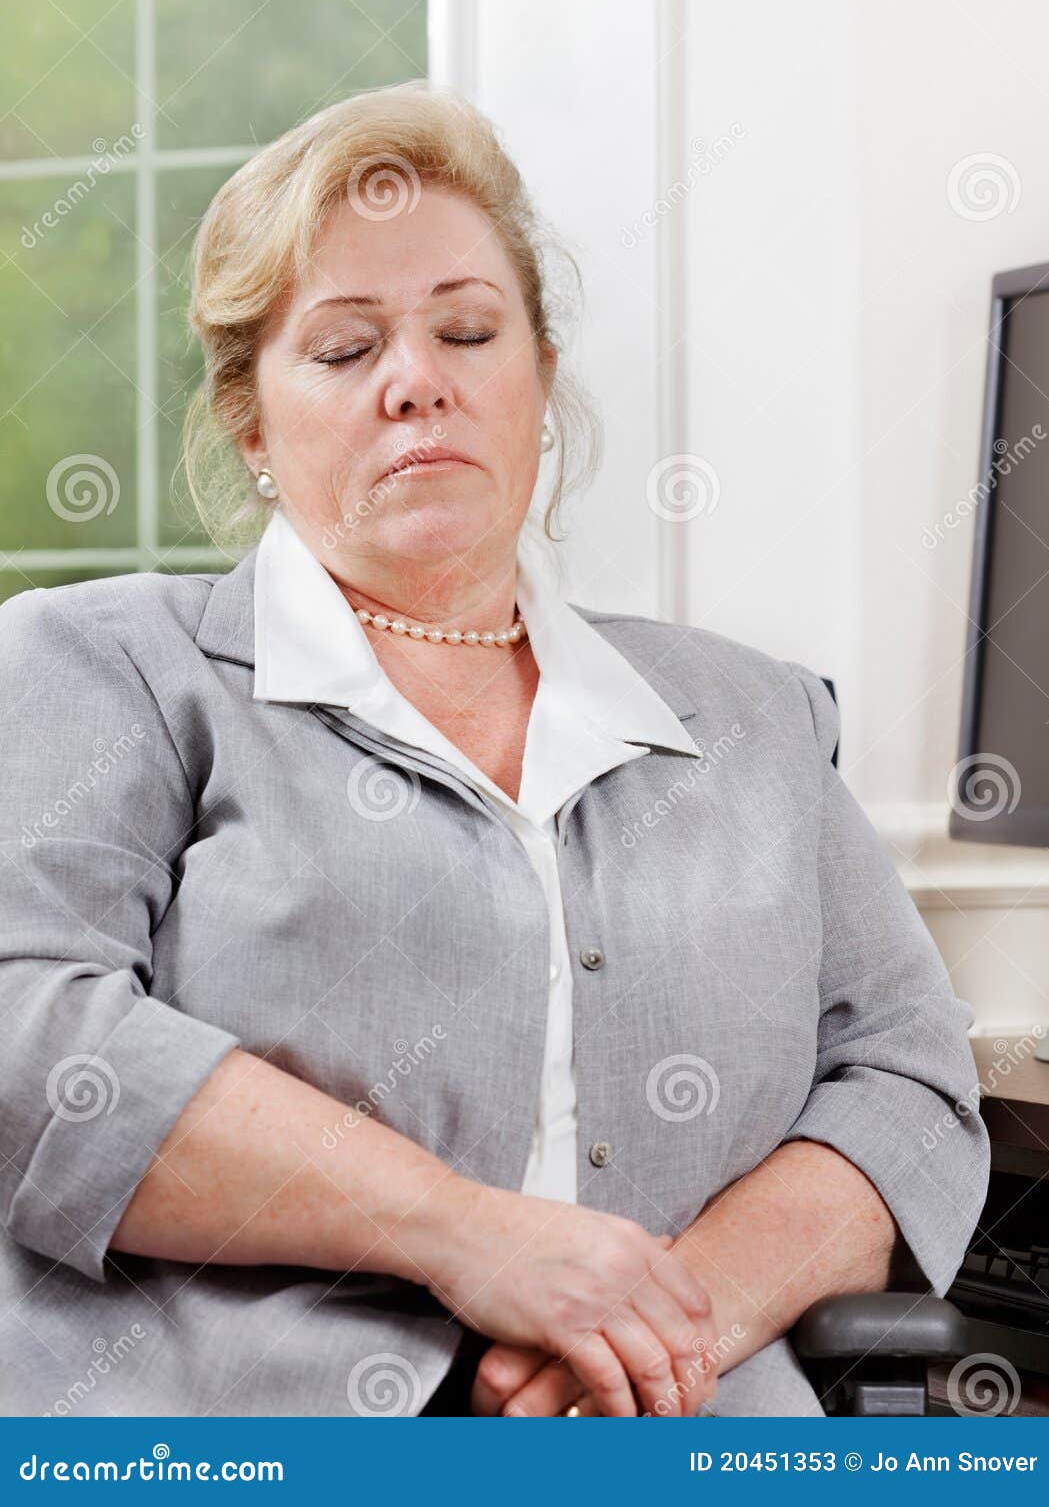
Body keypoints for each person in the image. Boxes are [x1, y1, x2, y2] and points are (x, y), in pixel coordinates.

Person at [0, 82, 989, 1418]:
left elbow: (907, 1079)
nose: (419, 380)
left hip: (686, 1432)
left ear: (540, 383)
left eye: (468, 329)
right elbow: (29, 1032)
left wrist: (653, 1328)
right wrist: (471, 1235)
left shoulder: (756, 718)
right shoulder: (110, 662)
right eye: (345, 351)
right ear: (252, 424)